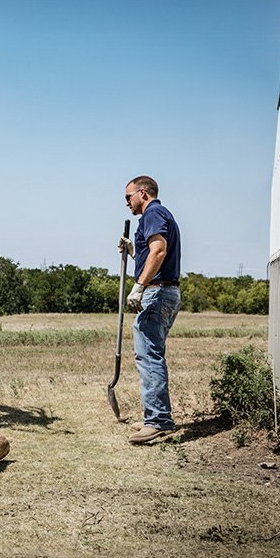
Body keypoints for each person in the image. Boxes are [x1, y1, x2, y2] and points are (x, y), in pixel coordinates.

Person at [118, 175, 181, 445]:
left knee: (149, 355)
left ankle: (158, 421)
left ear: (142, 193)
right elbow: (149, 253)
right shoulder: (160, 215)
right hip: (165, 290)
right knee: (151, 353)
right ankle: (154, 415)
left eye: (128, 197)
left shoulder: (152, 213)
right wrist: (135, 250)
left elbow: (158, 252)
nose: (127, 203)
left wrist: (139, 286)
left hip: (157, 291)